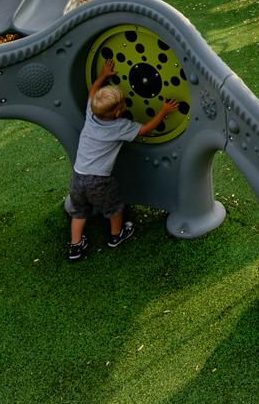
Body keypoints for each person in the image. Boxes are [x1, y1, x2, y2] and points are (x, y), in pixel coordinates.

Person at [67, 59, 177, 260]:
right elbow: (145, 129)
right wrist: (164, 111)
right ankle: (117, 235)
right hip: (99, 180)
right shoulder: (120, 126)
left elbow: (93, 92)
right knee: (114, 207)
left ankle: (75, 245)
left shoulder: (91, 112)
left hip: (78, 175)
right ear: (118, 112)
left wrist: (103, 75)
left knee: (79, 211)